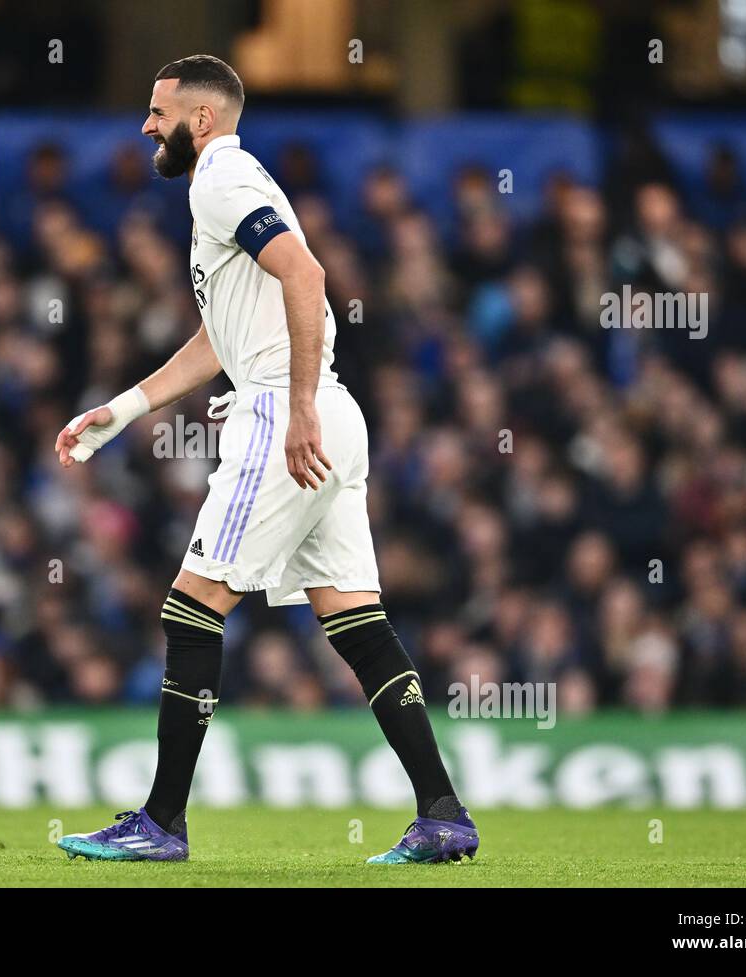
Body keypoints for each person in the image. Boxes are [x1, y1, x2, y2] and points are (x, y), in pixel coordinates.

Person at [51, 55, 477, 865]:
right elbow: (221, 337)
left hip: (290, 413)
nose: (146, 126)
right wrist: (124, 410)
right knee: (357, 622)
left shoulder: (217, 180)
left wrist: (295, 400)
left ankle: (161, 824)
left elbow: (306, 274)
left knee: (191, 604)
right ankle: (444, 812)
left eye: (157, 111)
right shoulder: (237, 185)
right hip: (322, 411)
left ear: (201, 120)